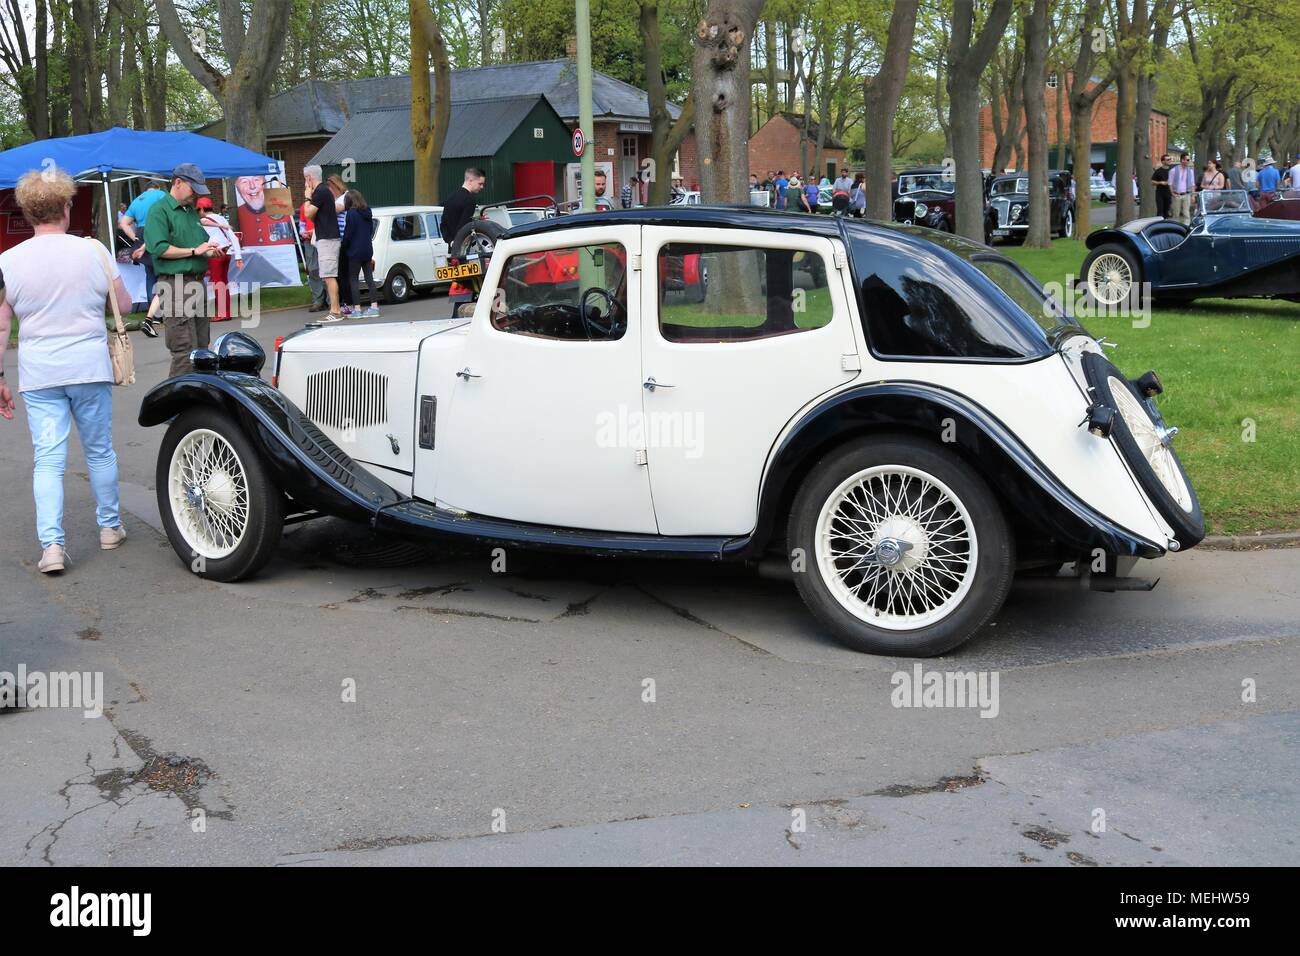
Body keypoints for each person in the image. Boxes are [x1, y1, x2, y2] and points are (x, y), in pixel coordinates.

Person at [0, 168, 134, 574]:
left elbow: (2, 325)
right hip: (89, 366)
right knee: (99, 451)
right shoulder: (93, 251)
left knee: (48, 460)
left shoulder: (7, 261)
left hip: (40, 373)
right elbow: (125, 306)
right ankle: (109, 528)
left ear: (28, 211)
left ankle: (53, 547)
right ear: (66, 206)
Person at [144, 163, 223, 374]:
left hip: (196, 282)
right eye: (193, 189)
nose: (195, 195)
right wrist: (195, 251)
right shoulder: (159, 211)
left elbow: (199, 244)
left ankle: (199, 400)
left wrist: (208, 250)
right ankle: (178, 403)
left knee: (202, 351)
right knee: (184, 352)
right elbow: (159, 248)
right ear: (178, 182)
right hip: (176, 284)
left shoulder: (190, 212)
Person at [118, 181, 166, 313]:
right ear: (157, 187)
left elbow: (124, 223)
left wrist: (134, 237)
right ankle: (162, 310)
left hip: (140, 233)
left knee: (149, 273)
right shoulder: (161, 195)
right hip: (156, 231)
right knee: (163, 272)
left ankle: (153, 311)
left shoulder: (136, 200)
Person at [303, 164, 342, 321]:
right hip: (326, 237)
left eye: (305, 180)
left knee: (329, 276)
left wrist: (307, 196)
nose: (305, 183)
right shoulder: (324, 192)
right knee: (328, 275)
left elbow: (307, 213)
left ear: (309, 178)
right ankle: (335, 309)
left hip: (328, 239)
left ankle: (335, 311)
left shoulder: (319, 192)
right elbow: (313, 217)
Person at [196, 195, 243, 322]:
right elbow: (233, 238)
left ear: (201, 209)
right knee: (223, 282)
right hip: (227, 253)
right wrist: (238, 256)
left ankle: (223, 313)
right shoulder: (221, 218)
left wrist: (221, 226)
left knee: (218, 283)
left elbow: (204, 222)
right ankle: (226, 312)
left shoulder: (204, 219)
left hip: (216, 253)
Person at [342, 189, 379, 318]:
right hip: (367, 249)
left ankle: (357, 310)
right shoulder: (367, 212)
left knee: (353, 280)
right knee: (369, 279)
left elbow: (348, 234)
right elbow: (370, 231)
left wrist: (344, 246)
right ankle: (374, 307)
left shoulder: (351, 214)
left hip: (354, 251)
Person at [440, 167, 486, 246]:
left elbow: (443, 224)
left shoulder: (450, 198)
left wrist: (451, 242)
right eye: (480, 184)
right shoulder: (470, 200)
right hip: (464, 248)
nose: (482, 187)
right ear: (470, 181)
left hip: (453, 248)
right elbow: (465, 226)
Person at [326, 175, 352, 312]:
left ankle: (349, 303)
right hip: (339, 239)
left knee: (343, 274)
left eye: (330, 188)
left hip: (344, 240)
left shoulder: (345, 197)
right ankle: (344, 302)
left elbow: (338, 208)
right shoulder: (337, 198)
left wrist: (324, 201)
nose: (329, 190)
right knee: (339, 274)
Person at [298, 198, 326, 312]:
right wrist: (303, 233)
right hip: (309, 242)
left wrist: (314, 231)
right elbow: (302, 224)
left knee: (327, 270)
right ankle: (318, 301)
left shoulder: (324, 204)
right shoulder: (304, 206)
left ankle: (332, 301)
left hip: (324, 239)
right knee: (313, 270)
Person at [1168, 152, 1196, 225]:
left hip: (1187, 194)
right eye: (1187, 160)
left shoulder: (1190, 171)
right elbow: (1170, 183)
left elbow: (1193, 184)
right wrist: (1172, 193)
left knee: (1186, 213)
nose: (1188, 161)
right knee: (1176, 214)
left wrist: (1193, 196)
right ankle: (1175, 229)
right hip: (1177, 194)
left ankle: (1186, 228)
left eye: (1188, 160)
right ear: (1182, 160)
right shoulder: (1173, 170)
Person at [1151, 154, 1172, 218]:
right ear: (1163, 161)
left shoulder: (1172, 171)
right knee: (1160, 211)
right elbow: (1152, 182)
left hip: (1169, 193)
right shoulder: (1158, 171)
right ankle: (1159, 226)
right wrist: (1160, 182)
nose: (1169, 161)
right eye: (1168, 159)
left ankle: (1166, 225)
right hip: (1160, 193)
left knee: (1167, 211)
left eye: (1170, 159)